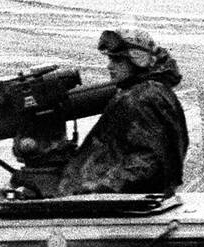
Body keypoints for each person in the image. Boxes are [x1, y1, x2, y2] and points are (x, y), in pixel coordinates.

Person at [56, 28, 189, 196]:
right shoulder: (151, 92)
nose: (109, 66)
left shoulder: (141, 99)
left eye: (117, 60)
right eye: (110, 59)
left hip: (127, 204)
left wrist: (94, 188)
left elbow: (147, 163)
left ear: (136, 60)